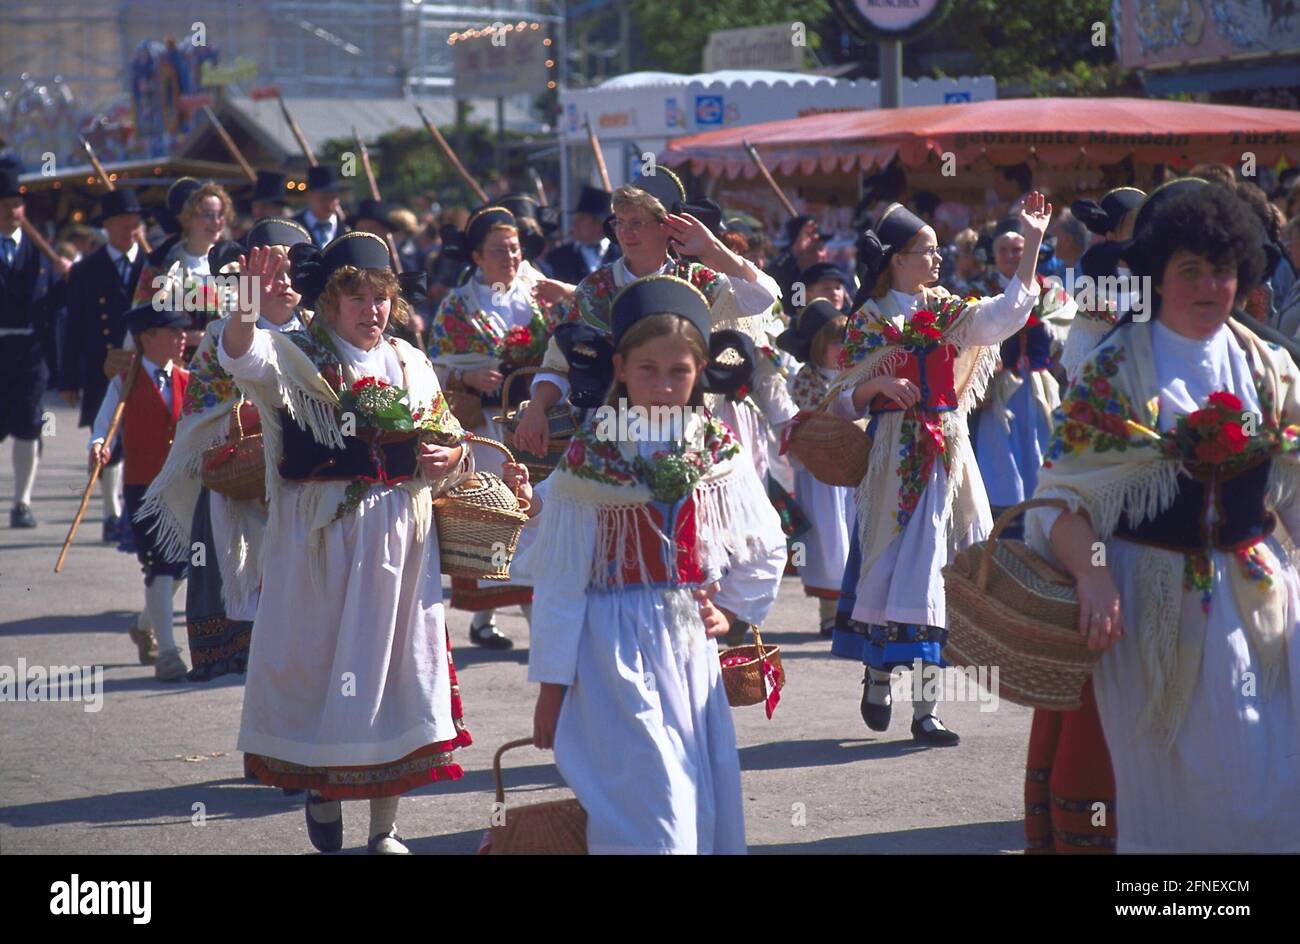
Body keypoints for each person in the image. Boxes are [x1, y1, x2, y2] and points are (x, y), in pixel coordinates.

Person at [1024, 178, 1300, 852]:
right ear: (1156, 274)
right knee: (1173, 793)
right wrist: (1093, 577)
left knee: (1268, 785)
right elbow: (1060, 499)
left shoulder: (1268, 365)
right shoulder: (1116, 371)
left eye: (1224, 269)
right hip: (1148, 607)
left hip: (1256, 600)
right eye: (1190, 270)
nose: (1210, 286)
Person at [218, 233, 473, 854]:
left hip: (400, 548)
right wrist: (245, 310)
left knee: (396, 677)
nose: (371, 309)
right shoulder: (295, 353)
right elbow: (240, 359)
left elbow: (452, 439)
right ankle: (323, 790)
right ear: (327, 303)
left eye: (380, 296)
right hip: (320, 547)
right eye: (354, 295)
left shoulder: (411, 361)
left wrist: (454, 456)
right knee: (326, 670)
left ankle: (384, 827)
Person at [517, 274, 787, 854]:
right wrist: (551, 684)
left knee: (694, 791)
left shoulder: (713, 446)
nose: (664, 386)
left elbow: (767, 541)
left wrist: (733, 611)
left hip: (688, 645)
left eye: (678, 371)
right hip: (610, 645)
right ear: (619, 368)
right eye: (648, 370)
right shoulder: (594, 456)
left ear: (699, 372)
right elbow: (562, 578)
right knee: (651, 797)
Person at [830, 196, 1052, 745]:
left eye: (936, 250)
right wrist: (878, 386)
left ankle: (926, 709)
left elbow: (1003, 316)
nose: (938, 260)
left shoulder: (946, 309)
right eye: (927, 251)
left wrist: (1033, 244)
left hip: (947, 453)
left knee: (945, 570)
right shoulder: (869, 320)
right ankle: (879, 677)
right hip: (894, 460)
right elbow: (838, 402)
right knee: (889, 566)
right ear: (897, 259)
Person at [140, 219, 313, 682]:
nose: (284, 281)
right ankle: (234, 651)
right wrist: (257, 421)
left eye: (292, 268)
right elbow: (201, 411)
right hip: (244, 476)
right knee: (237, 560)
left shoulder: (320, 330)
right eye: (271, 269)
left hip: (311, 479)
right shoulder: (223, 333)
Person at [513, 170, 778, 457]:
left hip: (688, 433)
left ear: (667, 227)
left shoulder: (697, 281)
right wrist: (537, 408)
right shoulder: (595, 289)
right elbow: (559, 362)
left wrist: (713, 247)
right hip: (613, 437)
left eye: (637, 223)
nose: (626, 232)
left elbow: (763, 297)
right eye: (620, 222)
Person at [427, 205, 577, 648]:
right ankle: (485, 617)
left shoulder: (540, 292)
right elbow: (432, 366)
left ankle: (542, 621)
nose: (510, 258)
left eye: (514, 249)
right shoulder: (458, 306)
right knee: (496, 515)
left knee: (540, 513)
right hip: (489, 428)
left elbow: (569, 344)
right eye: (498, 251)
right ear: (476, 257)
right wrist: (466, 377)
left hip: (540, 423)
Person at [90, 303, 192, 680]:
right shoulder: (125, 381)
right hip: (143, 487)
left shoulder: (188, 379)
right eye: (174, 332)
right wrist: (98, 446)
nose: (183, 338)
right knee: (160, 565)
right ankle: (168, 653)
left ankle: (143, 624)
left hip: (183, 488)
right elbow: (103, 425)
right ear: (149, 338)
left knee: (183, 567)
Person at [968, 215, 1077, 533]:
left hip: (1041, 389)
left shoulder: (1050, 290)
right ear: (994, 254)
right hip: (1000, 392)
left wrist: (1057, 361)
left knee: (1040, 450)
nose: (1013, 256)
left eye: (1019, 249)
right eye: (1005, 250)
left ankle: (1042, 521)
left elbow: (1071, 332)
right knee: (1002, 458)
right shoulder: (980, 292)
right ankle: (1006, 526)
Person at [59, 189, 146, 541]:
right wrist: (68, 379)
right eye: (121, 222)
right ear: (106, 226)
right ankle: (111, 512)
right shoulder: (86, 270)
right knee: (108, 440)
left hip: (146, 365)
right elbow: (74, 327)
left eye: (134, 222)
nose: (130, 228)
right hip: (103, 368)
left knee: (139, 439)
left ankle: (136, 510)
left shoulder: (154, 264)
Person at [778, 299, 854, 635]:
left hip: (852, 468)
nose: (842, 348)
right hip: (820, 472)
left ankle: (851, 609)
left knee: (852, 533)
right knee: (826, 539)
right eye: (836, 341)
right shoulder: (805, 381)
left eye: (846, 341)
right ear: (819, 346)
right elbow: (806, 421)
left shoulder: (856, 375)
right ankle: (829, 609)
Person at [0, 158, 66, 529]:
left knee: (29, 424)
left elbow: (56, 303)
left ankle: (21, 501)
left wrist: (66, 277)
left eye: (17, 204)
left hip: (29, 351)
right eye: (6, 204)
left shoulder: (41, 253)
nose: (13, 210)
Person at [133, 179, 230, 343]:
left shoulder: (232, 263)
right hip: (178, 358)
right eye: (207, 215)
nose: (216, 221)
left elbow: (248, 316)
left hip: (228, 360)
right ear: (188, 219)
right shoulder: (161, 265)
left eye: (220, 214)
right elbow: (144, 323)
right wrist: (190, 337)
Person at [546, 185, 616, 285]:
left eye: (581, 219)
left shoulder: (623, 254)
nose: (575, 223)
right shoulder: (558, 257)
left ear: (598, 223)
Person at [293, 165, 349, 249]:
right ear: (309, 196)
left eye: (333, 197)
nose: (328, 203)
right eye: (323, 198)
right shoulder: (294, 227)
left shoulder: (346, 229)